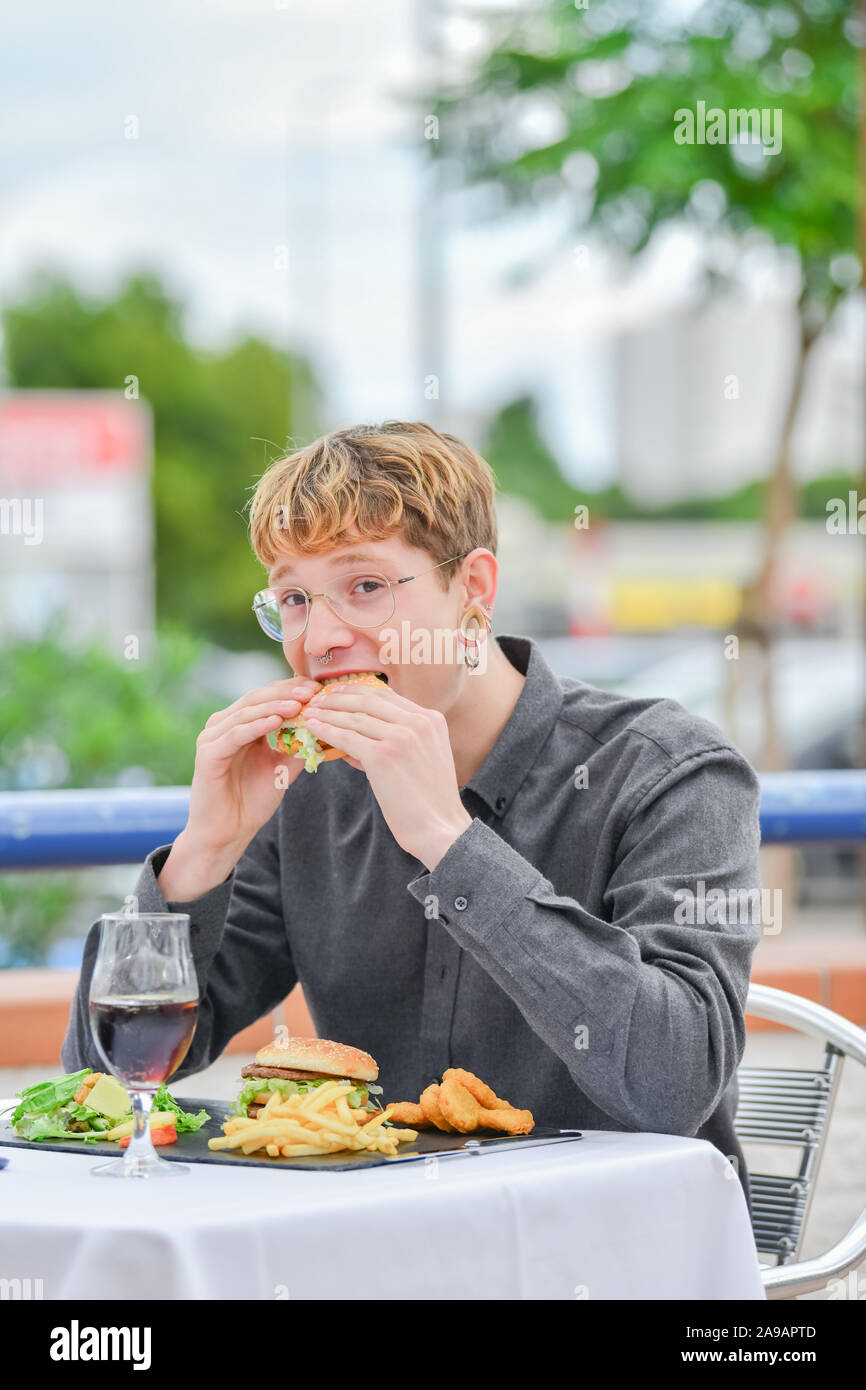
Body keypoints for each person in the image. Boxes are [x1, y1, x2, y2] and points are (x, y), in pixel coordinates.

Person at [62, 420, 763, 1214]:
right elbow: (100, 1076)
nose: (322, 638)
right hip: (384, 1249)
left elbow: (675, 1082)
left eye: (365, 586)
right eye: (295, 598)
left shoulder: (672, 772)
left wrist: (448, 841)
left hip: (618, 1253)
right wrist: (203, 853)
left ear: (474, 591)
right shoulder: (313, 791)